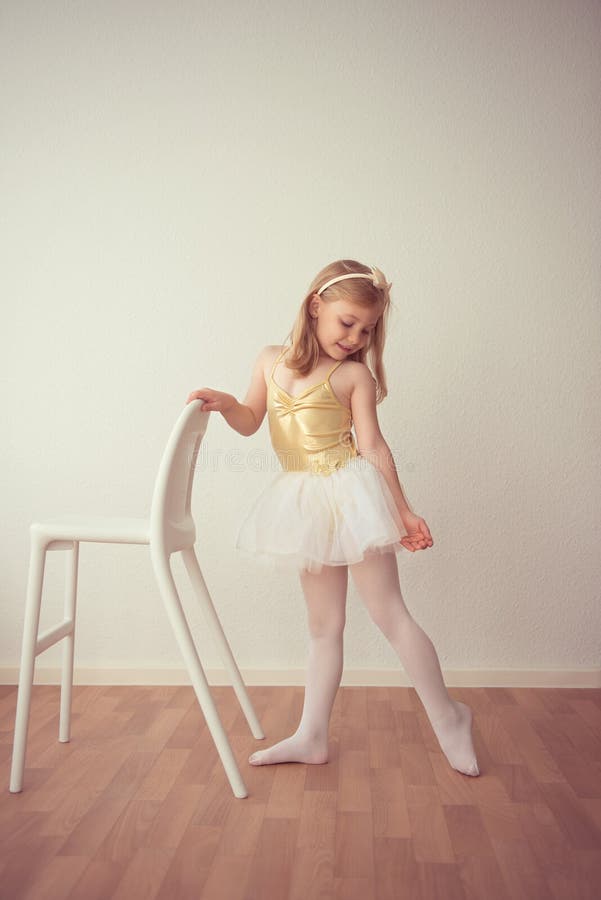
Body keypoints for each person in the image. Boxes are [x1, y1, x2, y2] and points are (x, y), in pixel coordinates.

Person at [187, 259, 479, 777]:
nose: (355, 337)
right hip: (305, 502)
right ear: (315, 306)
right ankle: (312, 735)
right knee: (323, 625)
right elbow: (251, 421)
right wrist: (228, 403)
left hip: (350, 494)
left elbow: (372, 445)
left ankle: (450, 716)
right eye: (348, 323)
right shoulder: (269, 360)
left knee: (389, 613)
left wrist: (403, 510)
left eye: (367, 329)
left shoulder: (353, 375)